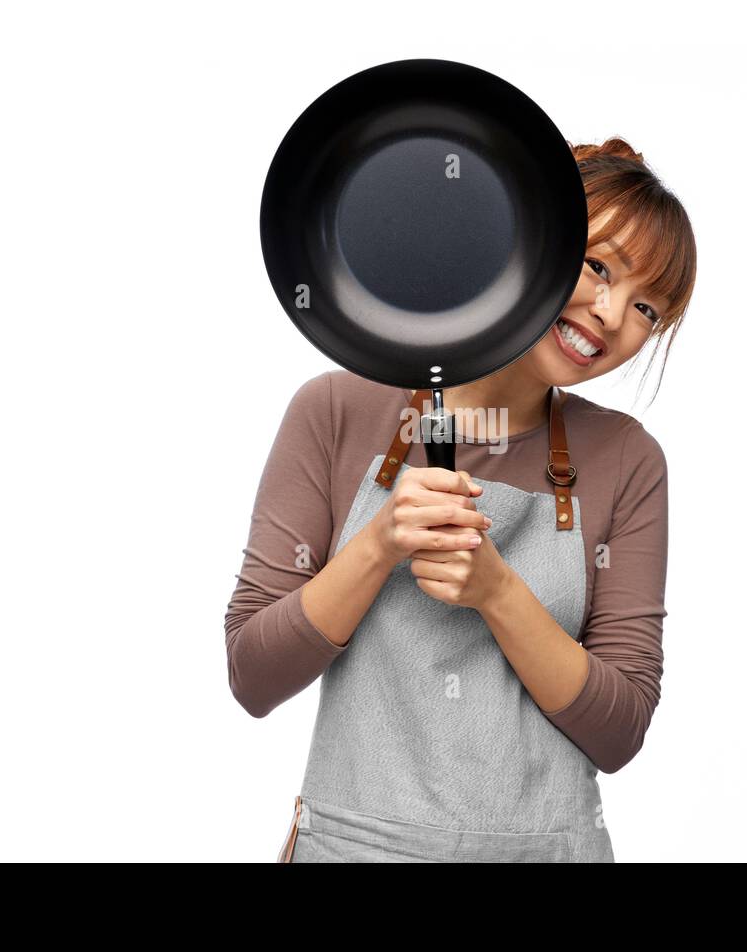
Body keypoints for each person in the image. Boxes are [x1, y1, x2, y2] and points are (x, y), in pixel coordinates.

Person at [226, 137, 697, 862]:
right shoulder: (338, 410)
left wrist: (497, 590)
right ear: (531, 238)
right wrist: (381, 543)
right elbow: (253, 677)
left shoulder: (628, 460)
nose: (609, 314)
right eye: (597, 266)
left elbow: (621, 729)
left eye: (647, 309)